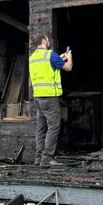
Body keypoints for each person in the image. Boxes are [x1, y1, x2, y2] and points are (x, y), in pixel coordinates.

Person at [29, 33, 73, 166]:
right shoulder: (50, 55)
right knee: (54, 126)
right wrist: (69, 57)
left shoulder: (33, 57)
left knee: (41, 128)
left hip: (38, 97)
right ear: (44, 40)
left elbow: (47, 66)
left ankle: (38, 157)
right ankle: (47, 157)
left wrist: (60, 58)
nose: (49, 42)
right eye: (48, 40)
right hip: (49, 97)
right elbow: (68, 68)